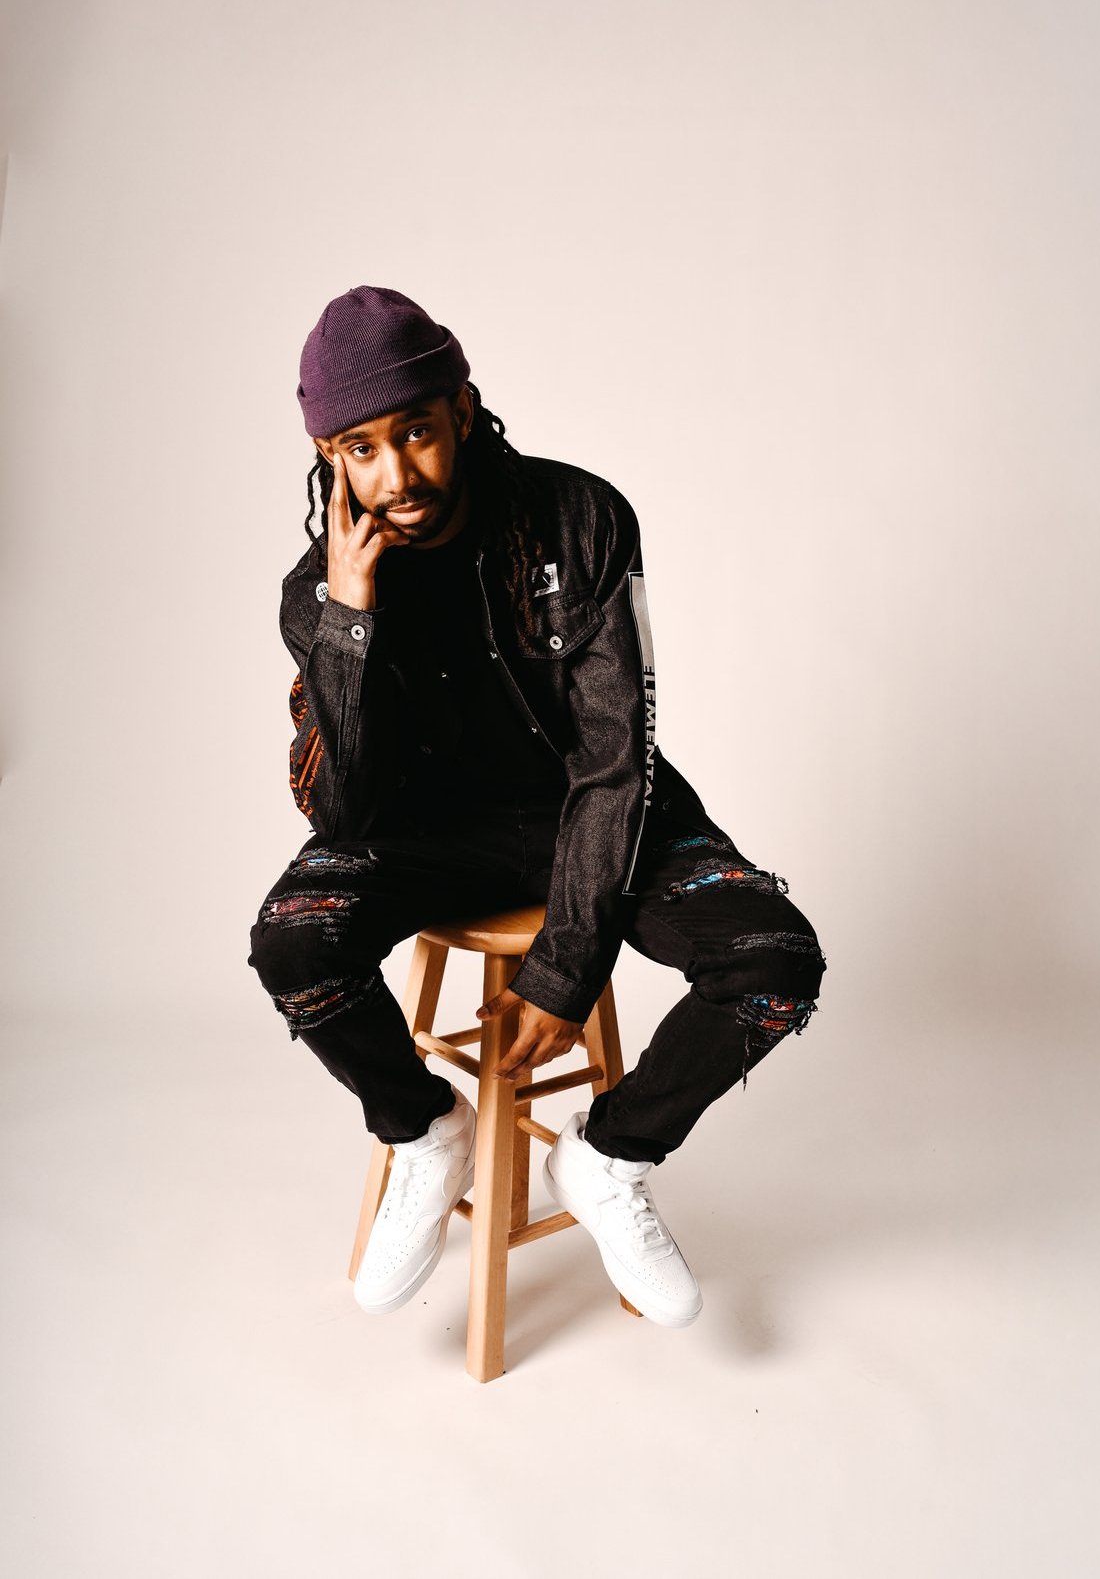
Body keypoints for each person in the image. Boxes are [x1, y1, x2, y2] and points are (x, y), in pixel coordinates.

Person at [248, 285, 827, 1328]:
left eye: (415, 432)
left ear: (462, 411)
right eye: (359, 450)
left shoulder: (582, 518)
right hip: (429, 833)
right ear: (329, 458)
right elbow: (342, 816)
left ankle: (607, 1160)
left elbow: (614, 758)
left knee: (775, 961)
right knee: (293, 942)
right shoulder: (319, 592)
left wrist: (564, 970)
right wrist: (351, 618)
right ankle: (425, 1134)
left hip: (598, 813)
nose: (394, 475)